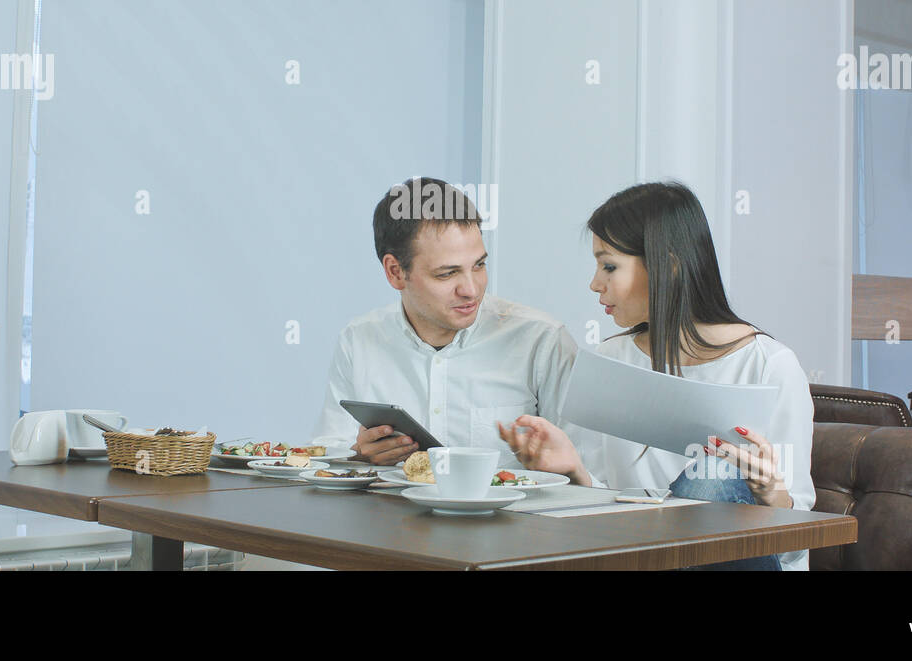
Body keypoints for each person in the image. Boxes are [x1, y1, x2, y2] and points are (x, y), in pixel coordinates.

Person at [496, 181, 815, 571]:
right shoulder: (611, 358)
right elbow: (603, 522)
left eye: (609, 266)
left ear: (670, 265)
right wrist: (574, 470)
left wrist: (771, 495)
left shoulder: (769, 365)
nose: (595, 284)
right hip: (634, 556)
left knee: (712, 473)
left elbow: (795, 547)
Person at [311, 177, 579, 467]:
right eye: (447, 274)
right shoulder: (359, 339)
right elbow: (326, 458)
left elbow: (587, 474)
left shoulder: (541, 340)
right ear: (395, 272)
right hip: (389, 513)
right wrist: (360, 456)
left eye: (479, 265)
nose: (472, 290)